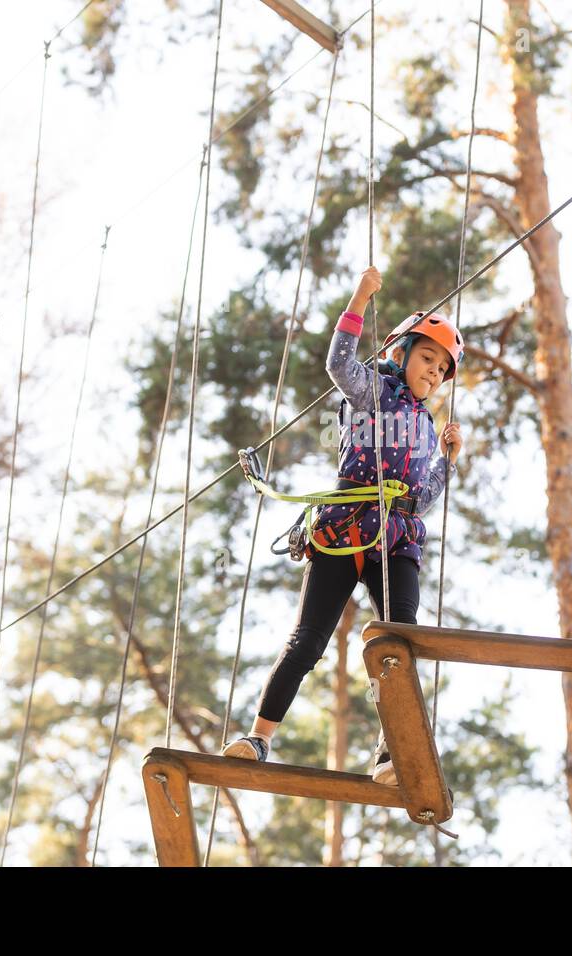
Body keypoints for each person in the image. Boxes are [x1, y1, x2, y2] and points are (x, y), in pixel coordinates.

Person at [220, 265, 465, 785]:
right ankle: (259, 737)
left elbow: (419, 499)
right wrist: (361, 295)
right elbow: (339, 363)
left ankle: (390, 753)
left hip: (395, 539)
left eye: (442, 370)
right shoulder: (373, 390)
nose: (433, 374)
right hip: (345, 528)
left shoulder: (426, 428)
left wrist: (446, 460)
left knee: (400, 642)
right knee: (307, 641)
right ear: (401, 354)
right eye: (427, 359)